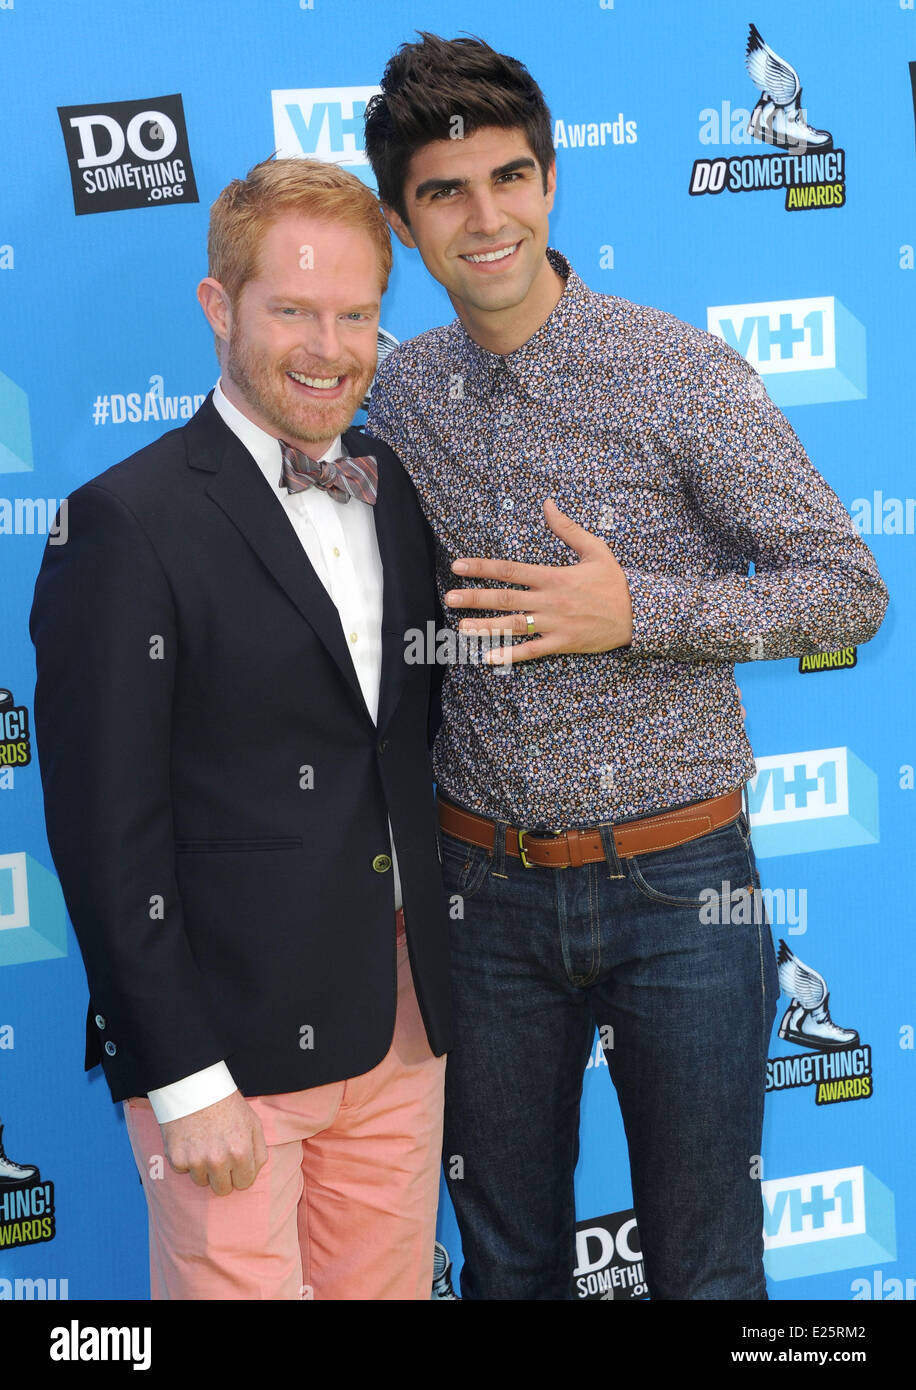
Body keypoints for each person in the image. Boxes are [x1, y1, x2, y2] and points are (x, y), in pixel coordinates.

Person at [362, 33, 888, 1300]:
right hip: (479, 893)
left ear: (550, 183)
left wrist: (632, 608)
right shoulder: (396, 393)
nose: (483, 217)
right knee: (506, 1262)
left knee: (707, 1267)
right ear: (401, 221)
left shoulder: (675, 370)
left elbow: (849, 587)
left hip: (682, 892)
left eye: (508, 178)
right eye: (444, 191)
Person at [30, 157, 452, 1301]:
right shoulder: (121, 523)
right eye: (294, 311)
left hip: (399, 1027)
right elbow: (106, 833)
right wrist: (180, 1077)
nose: (331, 346)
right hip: (228, 1057)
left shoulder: (391, 487)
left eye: (357, 313)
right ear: (220, 309)